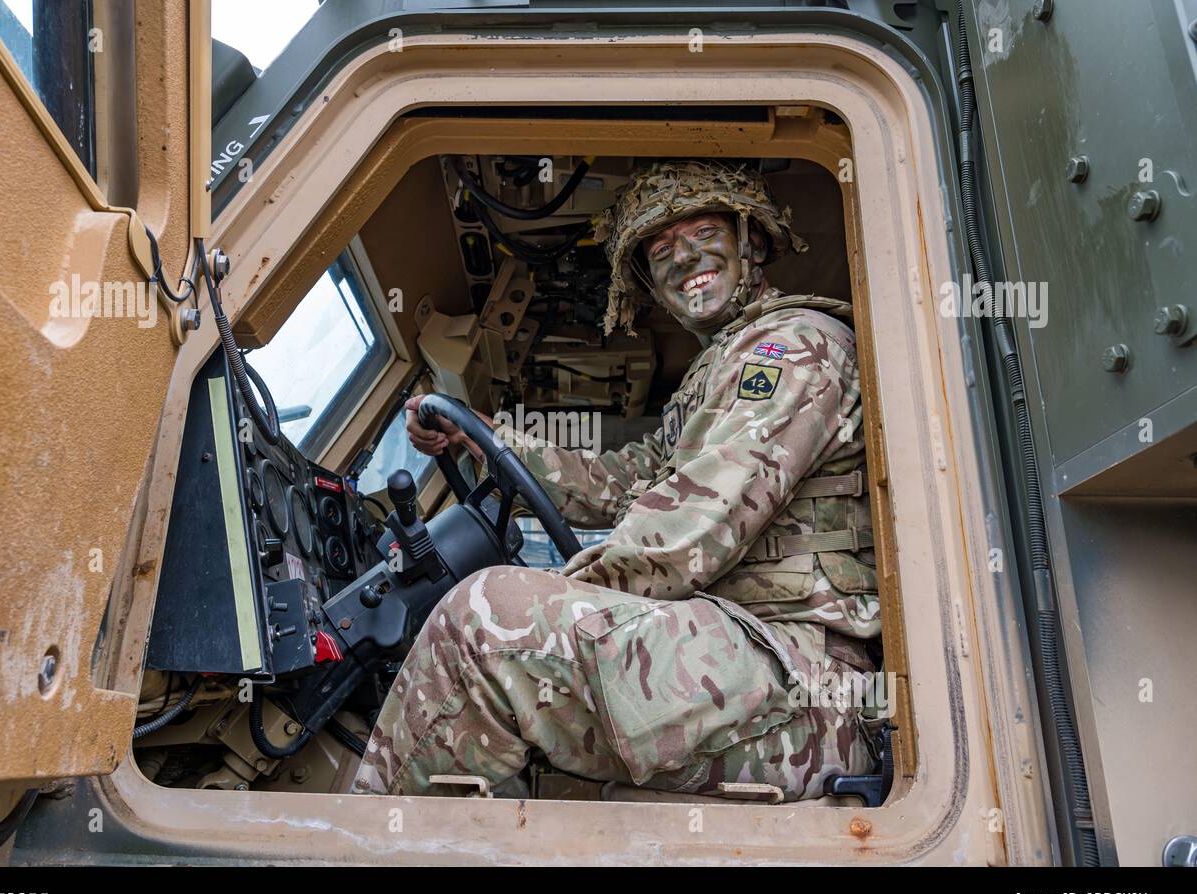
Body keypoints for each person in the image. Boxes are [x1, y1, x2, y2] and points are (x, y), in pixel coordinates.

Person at [352, 160, 882, 799]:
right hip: (750, 661)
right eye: (661, 251)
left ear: (753, 242)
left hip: (803, 677)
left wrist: (562, 591)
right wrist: (482, 440)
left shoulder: (792, 346)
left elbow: (693, 528)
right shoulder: (715, 375)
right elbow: (618, 482)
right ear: (651, 285)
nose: (684, 257)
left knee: (487, 622)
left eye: (704, 233)